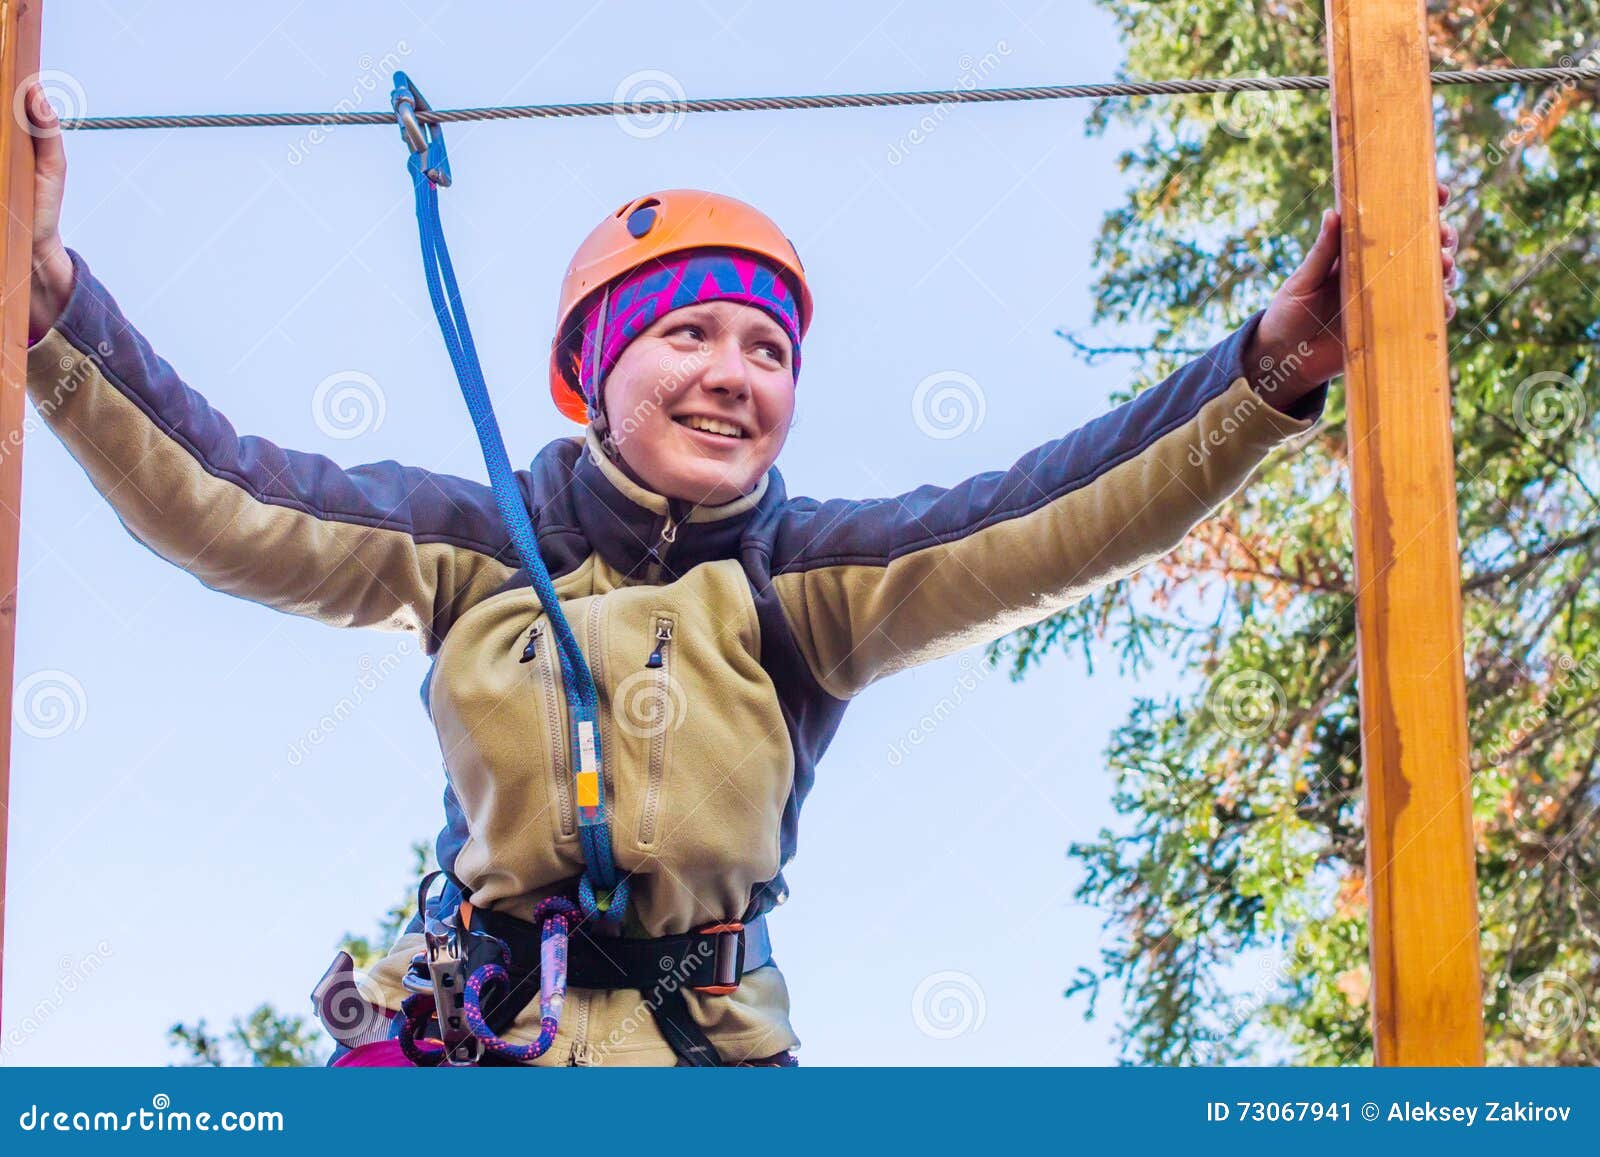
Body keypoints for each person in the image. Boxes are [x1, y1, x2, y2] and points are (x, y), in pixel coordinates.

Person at [22, 80, 1459, 1067]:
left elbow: (1056, 514)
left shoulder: (806, 580)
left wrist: (1265, 371)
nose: (732, 374)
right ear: (596, 370)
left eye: (767, 350)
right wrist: (52, 312)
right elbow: (224, 501)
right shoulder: (474, 546)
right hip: (481, 1051)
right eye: (689, 336)